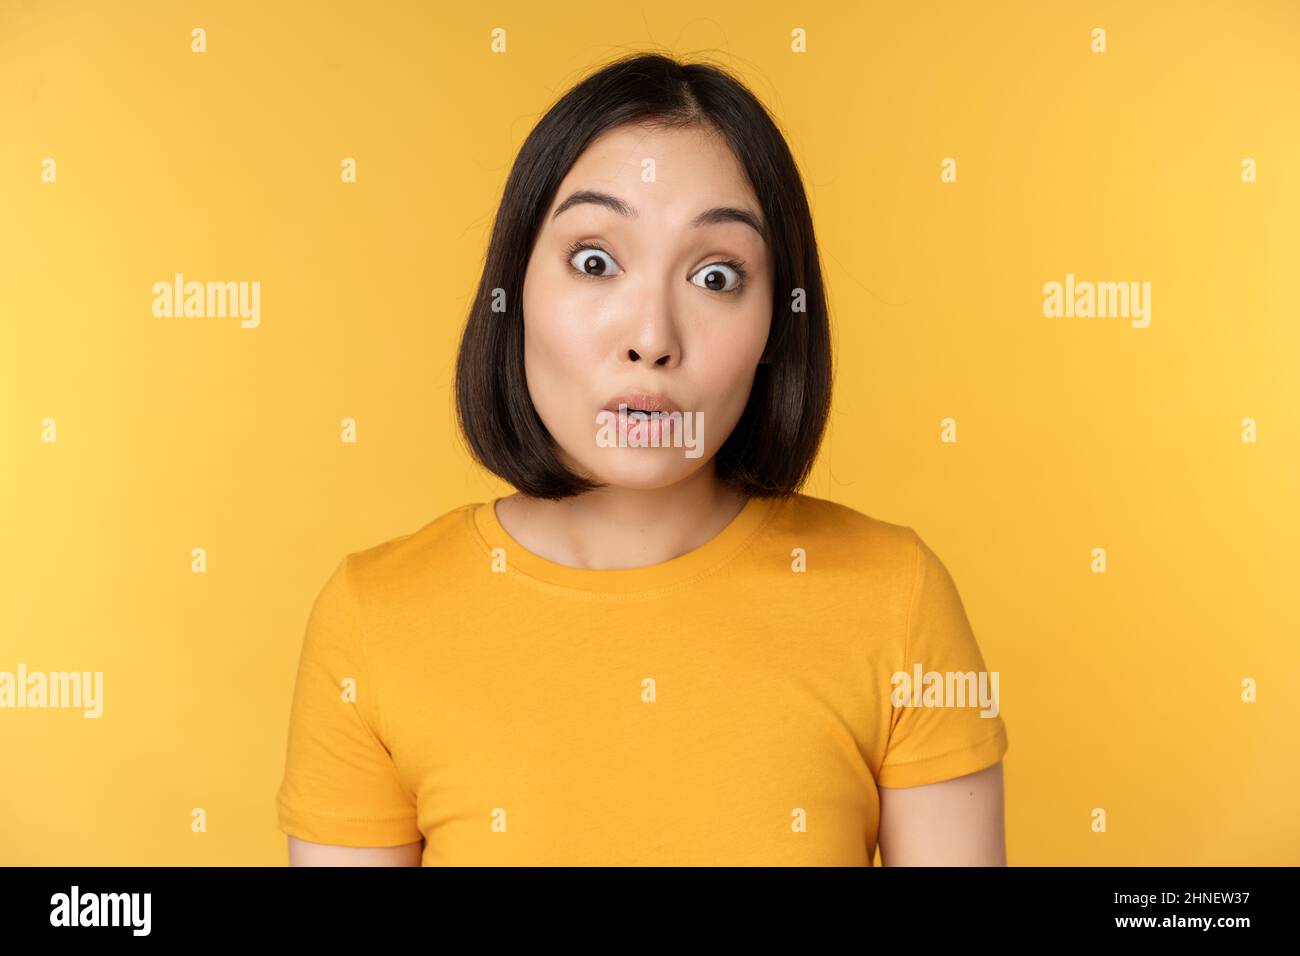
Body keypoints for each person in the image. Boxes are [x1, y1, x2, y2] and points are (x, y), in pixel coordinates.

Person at [276, 51, 1007, 866]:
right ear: (512, 292)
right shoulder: (374, 621)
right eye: (595, 262)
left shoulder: (895, 601)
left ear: (776, 328)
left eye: (717, 275)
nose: (652, 339)